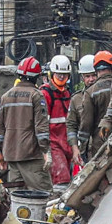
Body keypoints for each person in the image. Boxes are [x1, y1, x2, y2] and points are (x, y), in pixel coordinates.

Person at [0, 56, 53, 192]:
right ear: (36, 77)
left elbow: (0, 129)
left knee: (17, 199)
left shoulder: (6, 96)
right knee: (44, 195)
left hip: (11, 157)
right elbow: (41, 128)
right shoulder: (36, 95)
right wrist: (45, 151)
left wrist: (0, 153)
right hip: (31, 155)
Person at [40, 54, 77, 186]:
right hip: (54, 143)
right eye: (58, 74)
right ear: (52, 74)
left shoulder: (67, 93)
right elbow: (41, 123)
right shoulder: (45, 94)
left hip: (67, 143)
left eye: (64, 75)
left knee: (72, 178)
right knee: (62, 178)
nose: (61, 77)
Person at [80, 50, 112, 156]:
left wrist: (83, 149)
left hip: (100, 143)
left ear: (96, 70)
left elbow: (86, 123)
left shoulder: (90, 92)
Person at [66, 54, 97, 162]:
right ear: (82, 77)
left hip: (103, 148)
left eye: (94, 75)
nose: (91, 79)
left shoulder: (108, 94)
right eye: (87, 76)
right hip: (85, 150)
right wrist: (75, 149)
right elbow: (71, 125)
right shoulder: (76, 99)